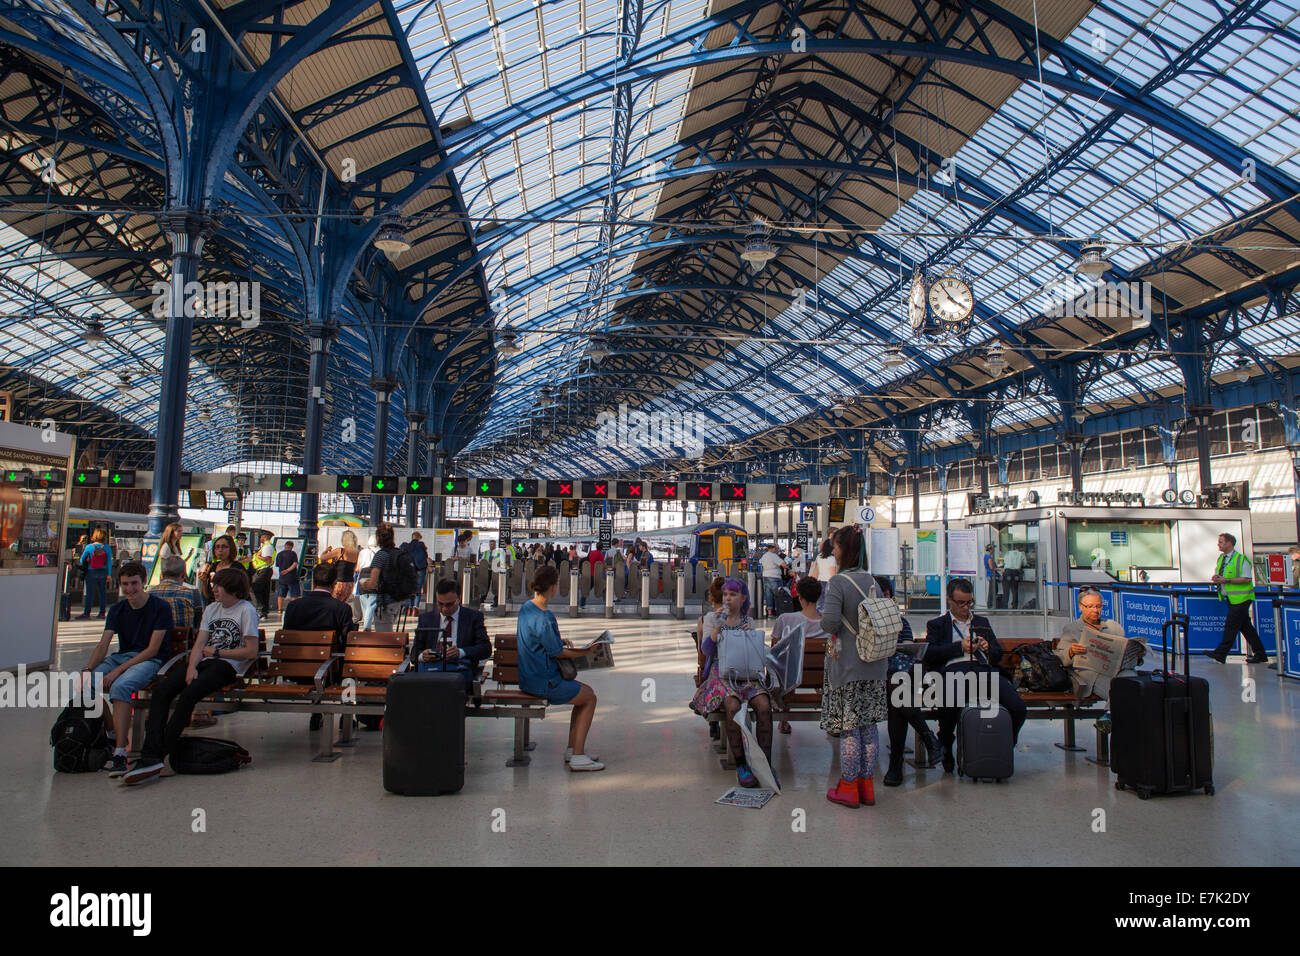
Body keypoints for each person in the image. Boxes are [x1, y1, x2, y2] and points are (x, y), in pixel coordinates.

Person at [121, 567, 259, 785]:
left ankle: (156, 757)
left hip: (227, 665)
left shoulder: (246, 610)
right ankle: (150, 753)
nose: (214, 590)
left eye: (219, 586)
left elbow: (251, 651)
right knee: (161, 692)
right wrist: (192, 666)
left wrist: (217, 653)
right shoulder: (212, 609)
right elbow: (199, 643)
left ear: (233, 590)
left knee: (188, 696)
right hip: (204, 661)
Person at [924, 577, 1027, 772]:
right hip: (954, 671)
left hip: (984, 672)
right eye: (960, 603)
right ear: (949, 600)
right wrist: (959, 647)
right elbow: (930, 653)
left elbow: (997, 654)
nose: (965, 607)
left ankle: (1005, 745)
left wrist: (988, 649)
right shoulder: (938, 624)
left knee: (1018, 708)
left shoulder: (982, 622)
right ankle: (945, 740)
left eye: (969, 602)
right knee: (950, 702)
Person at [82, 561, 173, 775]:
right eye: (125, 584)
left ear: (143, 583)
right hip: (123, 657)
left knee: (121, 687)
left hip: (149, 660)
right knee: (87, 685)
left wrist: (119, 670)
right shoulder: (118, 609)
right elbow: (103, 644)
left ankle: (121, 752)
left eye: (134, 583)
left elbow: (152, 650)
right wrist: (88, 668)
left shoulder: (160, 608)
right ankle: (114, 731)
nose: (130, 589)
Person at [820, 526, 888, 808]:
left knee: (849, 727)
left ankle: (848, 786)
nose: (833, 551)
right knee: (868, 726)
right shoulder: (874, 581)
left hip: (848, 664)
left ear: (845, 550)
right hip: (874, 664)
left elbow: (830, 623)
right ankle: (867, 785)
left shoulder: (838, 583)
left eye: (836, 547)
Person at [516, 565, 603, 770]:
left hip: (528, 677)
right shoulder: (545, 618)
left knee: (583, 696)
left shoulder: (527, 607)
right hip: (544, 682)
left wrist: (557, 639)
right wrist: (588, 651)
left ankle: (574, 749)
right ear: (553, 588)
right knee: (590, 698)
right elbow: (558, 653)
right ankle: (578, 756)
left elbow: (539, 639)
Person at [703, 578, 772, 787]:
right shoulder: (711, 619)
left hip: (746, 673)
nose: (728, 599)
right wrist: (717, 629)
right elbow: (706, 650)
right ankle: (741, 763)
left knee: (763, 705)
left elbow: (756, 653)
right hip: (721, 674)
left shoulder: (748, 622)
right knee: (732, 705)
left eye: (733, 594)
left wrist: (749, 636)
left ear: (743, 599)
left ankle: (764, 763)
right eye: (725, 595)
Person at [878, 575, 943, 785]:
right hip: (882, 679)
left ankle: (896, 765)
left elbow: (907, 650)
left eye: (885, 596)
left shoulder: (901, 622)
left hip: (900, 675)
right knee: (897, 693)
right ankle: (927, 736)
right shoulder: (866, 624)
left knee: (896, 691)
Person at [285, 562, 356, 732]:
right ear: (334, 584)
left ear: (313, 581)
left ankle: (316, 710)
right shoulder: (342, 608)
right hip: (331, 672)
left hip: (296, 669)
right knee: (350, 666)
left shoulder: (293, 606)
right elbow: (347, 641)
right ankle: (347, 715)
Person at [411, 579, 491, 694]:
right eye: (440, 604)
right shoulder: (426, 619)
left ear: (459, 599)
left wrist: (461, 652)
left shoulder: (473, 618)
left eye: (449, 604)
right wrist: (423, 656)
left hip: (458, 672)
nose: (444, 609)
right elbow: (414, 653)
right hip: (430, 671)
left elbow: (485, 649)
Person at [769, 576, 824, 736]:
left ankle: (784, 719)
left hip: (788, 681)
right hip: (822, 678)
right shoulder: (828, 624)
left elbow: (775, 649)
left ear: (799, 596)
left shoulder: (786, 619)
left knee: (785, 664)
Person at [1208, 531, 1268, 664]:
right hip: (1231, 598)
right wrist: (1217, 578)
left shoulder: (1241, 559)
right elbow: (1222, 575)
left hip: (1242, 599)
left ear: (1229, 543)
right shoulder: (1221, 559)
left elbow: (1246, 579)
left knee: (1231, 625)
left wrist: (1226, 581)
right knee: (1246, 627)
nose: (1218, 544)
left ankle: (1220, 653)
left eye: (1221, 542)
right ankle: (1261, 654)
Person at [691, 576, 728, 739]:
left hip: (712, 667)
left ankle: (712, 721)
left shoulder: (704, 620)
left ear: (711, 597)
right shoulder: (736, 617)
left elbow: (702, 649)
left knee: (710, 669)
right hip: (733, 668)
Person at [359, 523, 403, 632]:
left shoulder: (380, 555)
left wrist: (364, 583)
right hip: (397, 601)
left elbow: (373, 583)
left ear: (378, 538)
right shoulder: (399, 553)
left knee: (384, 637)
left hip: (384, 603)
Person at [149, 556, 203, 631]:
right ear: (183, 575)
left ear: (161, 575)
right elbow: (198, 623)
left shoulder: (149, 594)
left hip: (156, 641)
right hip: (183, 640)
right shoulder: (192, 593)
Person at [77, 528, 113, 619]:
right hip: (103, 572)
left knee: (89, 593)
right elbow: (109, 562)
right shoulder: (107, 547)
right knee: (102, 593)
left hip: (91, 571)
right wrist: (109, 574)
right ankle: (101, 613)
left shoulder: (89, 547)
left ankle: (87, 613)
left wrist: (88, 561)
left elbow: (82, 560)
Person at [198, 534, 239, 603]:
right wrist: (204, 581)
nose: (220, 550)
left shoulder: (236, 568)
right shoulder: (213, 566)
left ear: (231, 548)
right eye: (217, 547)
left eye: (224, 547)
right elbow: (207, 595)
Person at [321, 529, 359, 602]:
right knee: (341, 605)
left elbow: (323, 557)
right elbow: (354, 568)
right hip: (350, 584)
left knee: (332, 603)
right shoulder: (356, 553)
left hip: (339, 583)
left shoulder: (340, 551)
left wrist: (326, 550)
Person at [354, 534, 378, 629]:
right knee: (372, 603)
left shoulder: (363, 552)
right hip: (374, 575)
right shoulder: (380, 552)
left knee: (364, 603)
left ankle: (366, 623)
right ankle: (367, 627)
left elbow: (357, 568)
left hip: (362, 576)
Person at [250, 532, 275, 618]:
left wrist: (258, 556)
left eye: (261, 536)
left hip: (264, 570)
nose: (260, 538)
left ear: (264, 537)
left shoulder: (267, 547)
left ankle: (260, 609)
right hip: (265, 570)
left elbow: (268, 559)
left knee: (254, 588)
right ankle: (264, 611)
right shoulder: (266, 546)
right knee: (264, 590)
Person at [759, 542, 786, 615]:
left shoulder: (764, 556)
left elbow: (760, 563)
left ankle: (770, 613)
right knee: (778, 595)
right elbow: (784, 565)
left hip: (766, 577)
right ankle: (779, 611)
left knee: (768, 595)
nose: (777, 550)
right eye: (777, 549)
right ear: (773, 549)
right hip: (775, 577)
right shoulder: (774, 556)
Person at [274, 540, 301, 613]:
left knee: (281, 594)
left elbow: (278, 565)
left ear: (285, 546)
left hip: (282, 577)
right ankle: (293, 609)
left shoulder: (279, 554)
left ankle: (279, 609)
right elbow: (295, 563)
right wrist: (288, 570)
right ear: (292, 547)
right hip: (292, 577)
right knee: (294, 594)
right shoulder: (293, 553)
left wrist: (284, 570)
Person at [1001, 544, 1025, 609]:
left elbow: (1004, 562)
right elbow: (1025, 563)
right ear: (1020, 548)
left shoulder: (1008, 553)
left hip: (1007, 572)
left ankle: (1004, 606)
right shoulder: (1021, 554)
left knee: (1006, 591)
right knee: (1014, 591)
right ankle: (1014, 606)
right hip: (1015, 572)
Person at [983, 543, 999, 610]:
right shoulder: (989, 558)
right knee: (993, 590)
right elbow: (991, 567)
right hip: (992, 575)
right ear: (990, 550)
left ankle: (990, 604)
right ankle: (991, 604)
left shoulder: (985, 556)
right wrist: (999, 570)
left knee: (991, 590)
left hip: (989, 575)